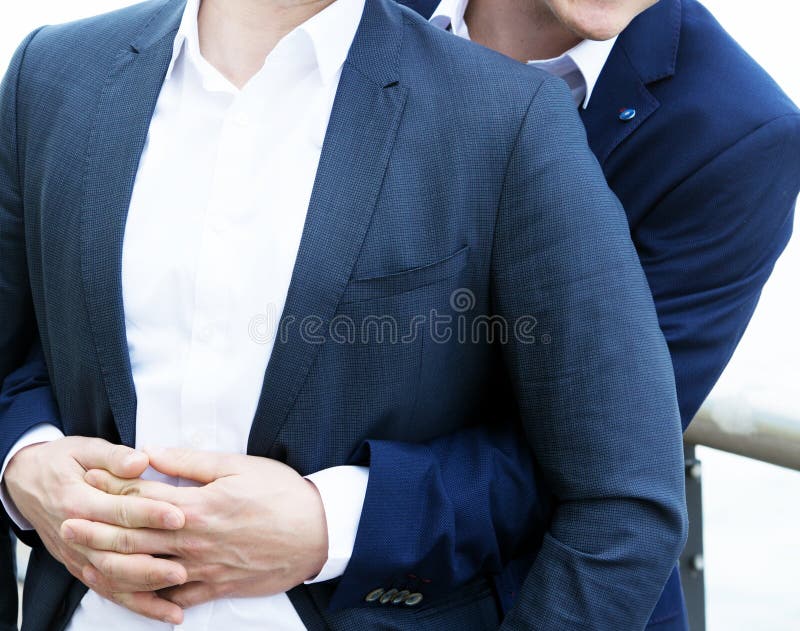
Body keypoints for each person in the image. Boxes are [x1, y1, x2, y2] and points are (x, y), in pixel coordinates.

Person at [0, 1, 688, 630]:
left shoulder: (503, 116)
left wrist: (337, 521)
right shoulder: (53, 74)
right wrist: (22, 460)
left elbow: (625, 500)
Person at [322, 0, 800, 629]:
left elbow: (606, 456)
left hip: (525, 595)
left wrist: (331, 520)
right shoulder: (330, 16)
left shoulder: (740, 132)